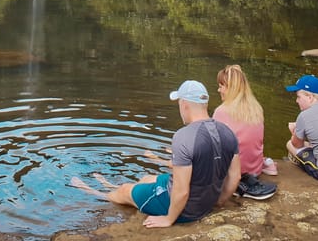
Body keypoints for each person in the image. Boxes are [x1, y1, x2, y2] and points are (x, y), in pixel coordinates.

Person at [72, 80, 241, 228]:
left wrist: (169, 219)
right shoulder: (227, 132)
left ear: (184, 104)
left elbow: (181, 191)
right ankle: (109, 185)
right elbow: (235, 177)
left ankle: (95, 192)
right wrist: (218, 202)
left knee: (124, 191)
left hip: (185, 210)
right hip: (205, 201)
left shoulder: (184, 137)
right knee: (148, 178)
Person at [214, 64, 278, 177]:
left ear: (230, 87)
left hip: (232, 174)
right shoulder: (257, 108)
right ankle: (265, 163)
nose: (218, 90)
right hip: (254, 171)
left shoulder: (221, 112)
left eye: (221, 86)